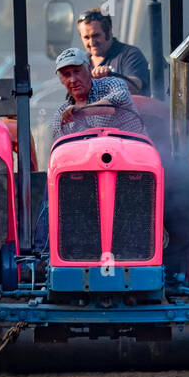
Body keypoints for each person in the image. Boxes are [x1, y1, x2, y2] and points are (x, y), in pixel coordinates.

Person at [35, 48, 147, 251]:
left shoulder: (112, 84)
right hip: (89, 178)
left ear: (89, 68)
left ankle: (160, 247)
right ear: (60, 80)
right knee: (53, 182)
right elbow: (60, 155)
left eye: (77, 71)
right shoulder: (61, 115)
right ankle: (45, 251)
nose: (73, 79)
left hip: (133, 164)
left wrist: (82, 112)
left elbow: (117, 103)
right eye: (66, 75)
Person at [76, 8, 151, 96]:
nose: (92, 42)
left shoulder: (130, 54)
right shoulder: (81, 64)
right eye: (86, 37)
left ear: (109, 32)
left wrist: (109, 78)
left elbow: (135, 86)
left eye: (96, 35)